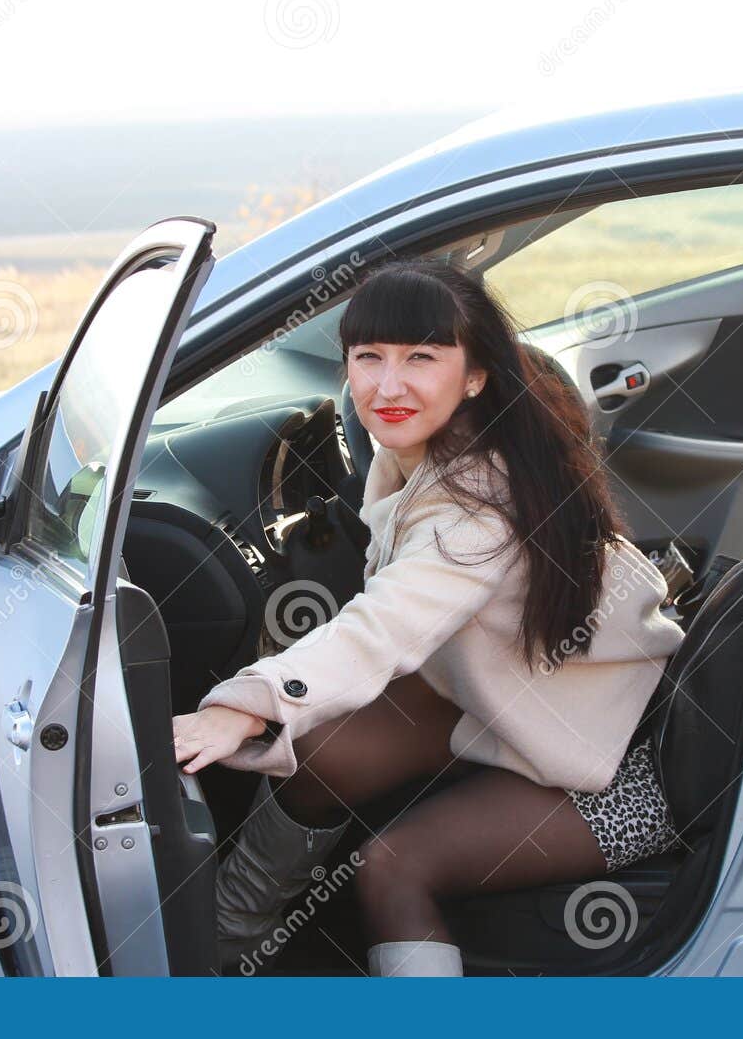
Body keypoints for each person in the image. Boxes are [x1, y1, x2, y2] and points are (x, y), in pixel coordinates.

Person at [171, 258, 685, 976]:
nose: (389, 384)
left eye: (421, 357)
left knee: (393, 867)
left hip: (626, 763)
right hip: (529, 700)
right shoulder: (434, 447)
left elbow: (379, 626)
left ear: (473, 374)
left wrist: (246, 704)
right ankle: (226, 935)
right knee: (321, 746)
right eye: (369, 357)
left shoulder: (477, 506)